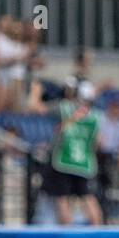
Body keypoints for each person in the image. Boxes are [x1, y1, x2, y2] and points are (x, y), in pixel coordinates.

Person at [40, 81, 104, 227]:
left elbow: (55, 126)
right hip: (84, 163)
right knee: (88, 198)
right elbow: (99, 142)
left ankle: (67, 235)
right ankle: (98, 232)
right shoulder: (97, 116)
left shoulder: (66, 108)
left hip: (64, 161)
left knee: (62, 200)